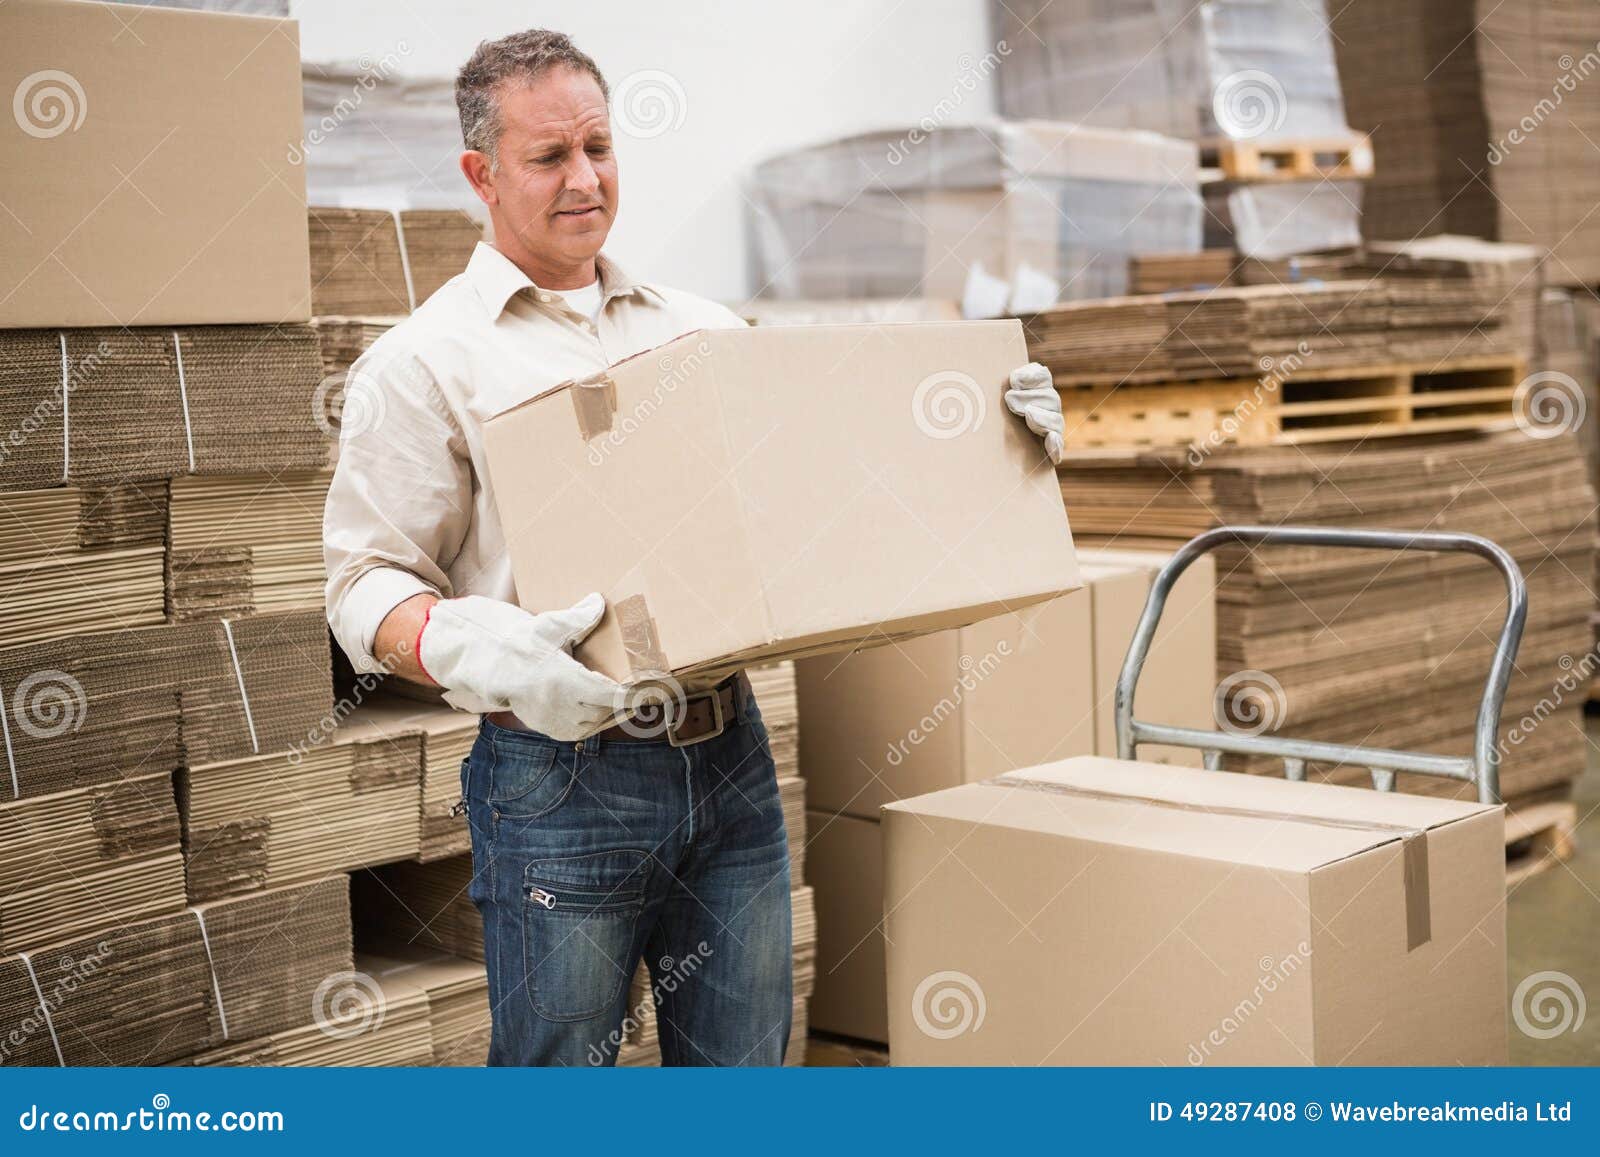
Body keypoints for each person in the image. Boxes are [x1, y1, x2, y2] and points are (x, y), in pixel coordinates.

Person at [322, 27, 1067, 1066]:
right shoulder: (423, 363)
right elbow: (361, 586)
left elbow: (829, 487)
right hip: (557, 775)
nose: (584, 178)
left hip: (728, 755)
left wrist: (992, 440)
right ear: (479, 175)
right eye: (549, 157)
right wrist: (468, 648)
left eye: (599, 147)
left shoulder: (702, 332)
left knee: (744, 1071)